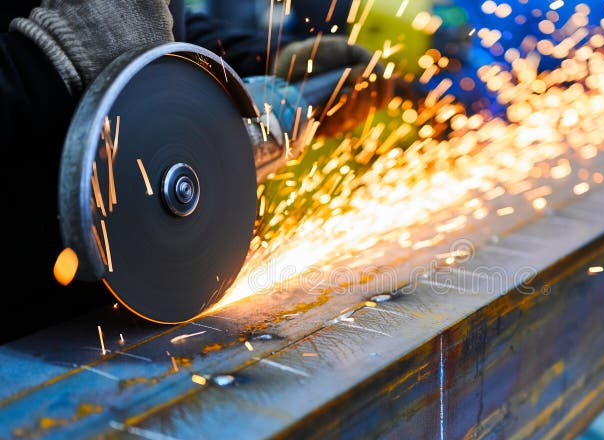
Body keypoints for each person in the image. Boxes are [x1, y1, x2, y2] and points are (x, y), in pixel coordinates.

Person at [0, 1, 389, 342]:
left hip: (139, 299)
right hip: (22, 330)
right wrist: (44, 61)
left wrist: (268, 60)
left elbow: (162, 19)